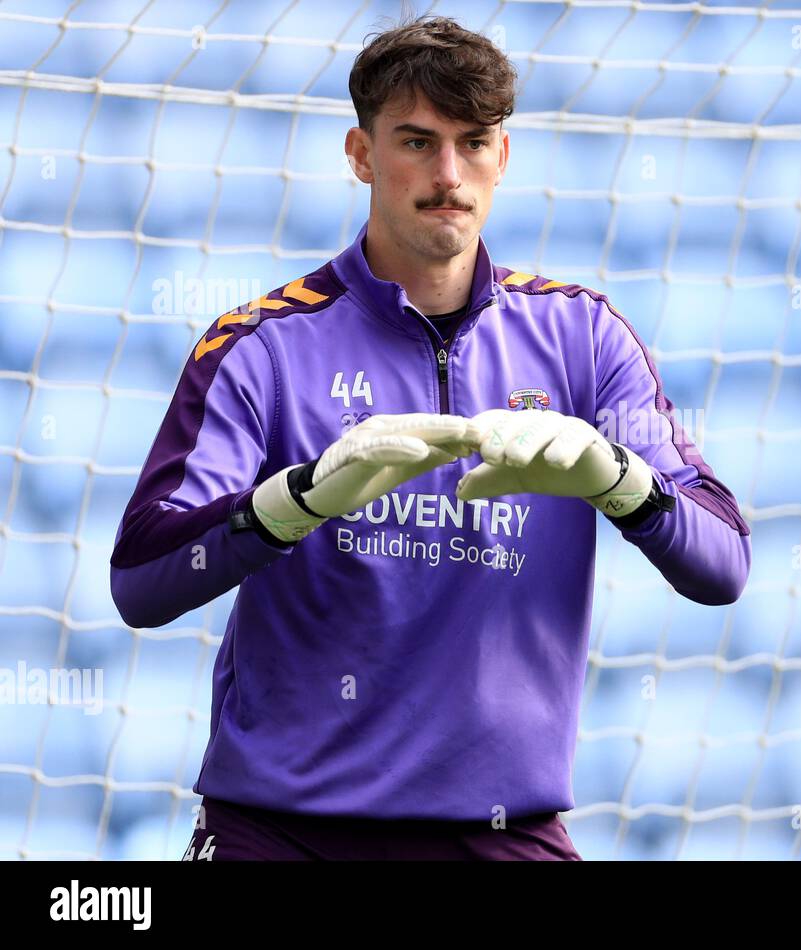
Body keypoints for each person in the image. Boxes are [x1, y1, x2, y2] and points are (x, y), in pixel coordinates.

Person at [110, 15, 750, 861]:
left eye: (474, 143)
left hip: (500, 834)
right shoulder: (259, 346)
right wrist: (290, 506)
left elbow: (724, 565)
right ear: (361, 154)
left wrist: (618, 480)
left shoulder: (586, 340)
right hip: (281, 833)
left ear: (504, 158)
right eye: (417, 141)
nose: (449, 174)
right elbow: (142, 583)